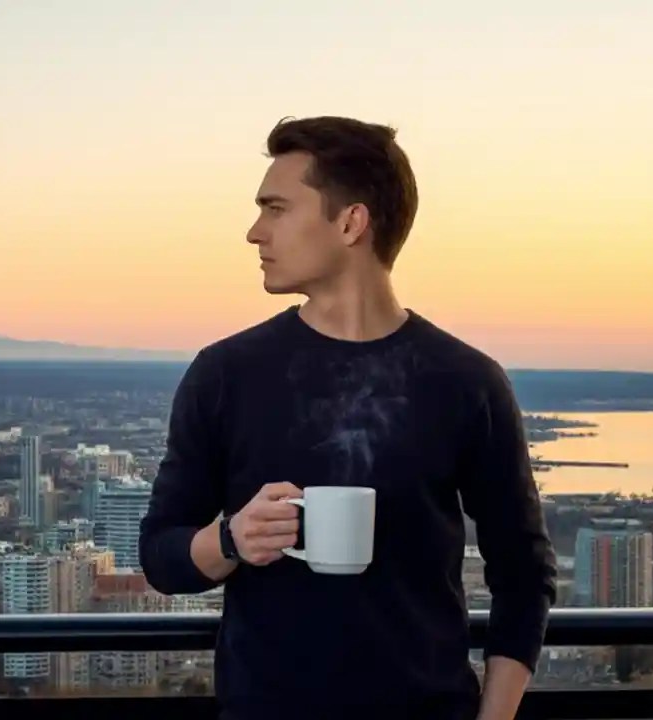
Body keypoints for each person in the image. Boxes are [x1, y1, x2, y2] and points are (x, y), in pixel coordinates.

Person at [138, 116, 558, 719]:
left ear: (350, 222)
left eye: (276, 208)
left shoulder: (467, 381)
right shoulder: (225, 373)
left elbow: (524, 572)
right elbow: (161, 557)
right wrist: (231, 538)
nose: (254, 232)